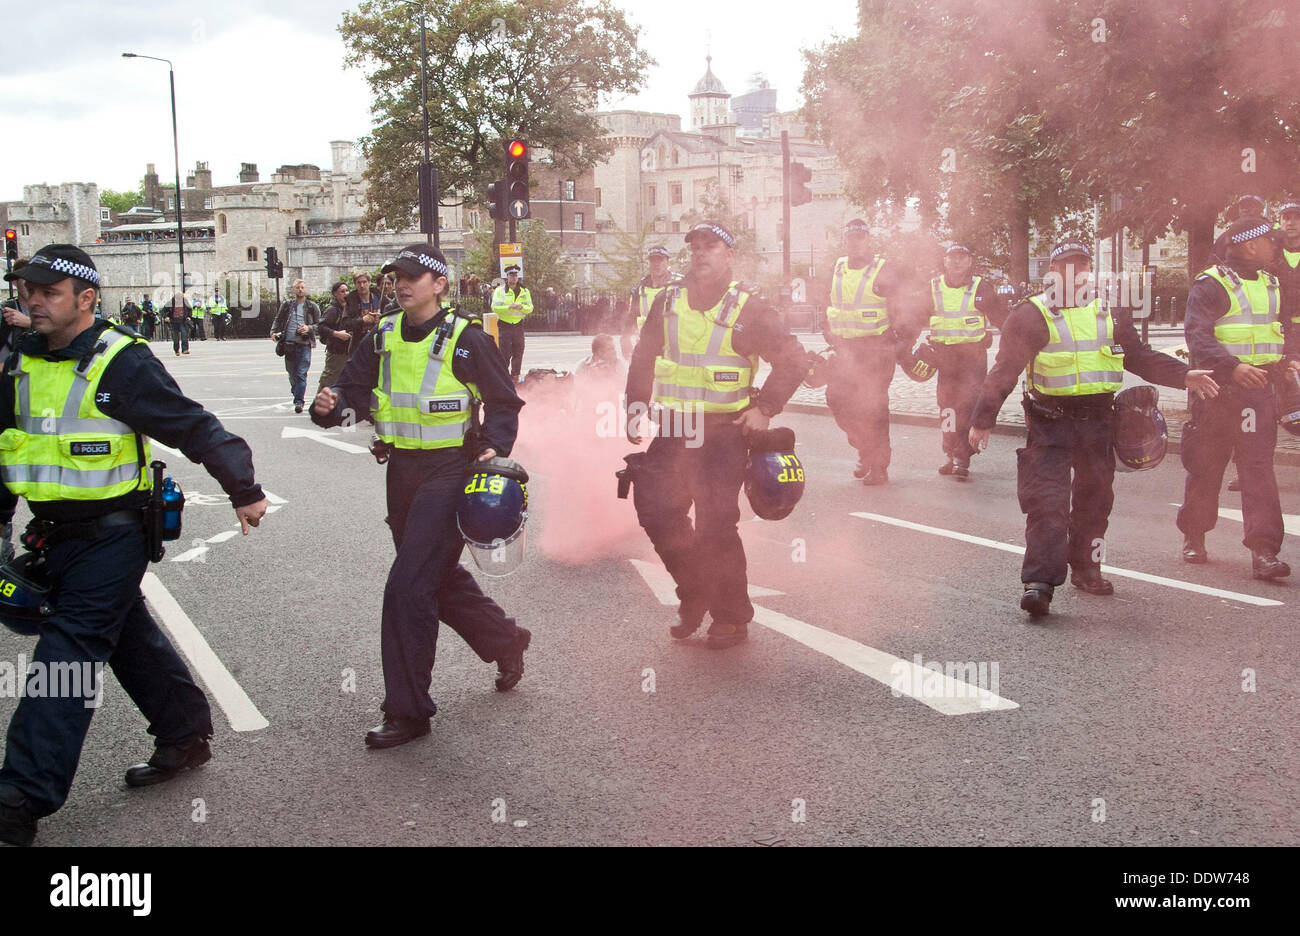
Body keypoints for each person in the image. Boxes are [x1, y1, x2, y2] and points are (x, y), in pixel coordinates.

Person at [0, 245, 269, 847]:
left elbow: (192, 425)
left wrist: (243, 488)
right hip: (52, 536)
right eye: (27, 290)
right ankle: (184, 732)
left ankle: (19, 797)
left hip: (114, 536)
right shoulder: (16, 361)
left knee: (66, 655)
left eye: (47, 292)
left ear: (86, 298)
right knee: (126, 636)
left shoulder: (119, 362)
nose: (33, 301)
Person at [310, 244, 531, 749]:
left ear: (439, 284)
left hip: (451, 471)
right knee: (434, 578)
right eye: (396, 277)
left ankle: (408, 712)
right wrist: (331, 404)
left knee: (407, 586)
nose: (401, 284)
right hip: (403, 472)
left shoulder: (467, 338)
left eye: (413, 276)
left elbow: (503, 401)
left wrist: (494, 447)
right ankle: (506, 639)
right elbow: (353, 389)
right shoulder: (382, 334)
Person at [969, 239, 1218, 617]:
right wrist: (982, 420)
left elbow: (1139, 356)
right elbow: (1004, 370)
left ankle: (1087, 568)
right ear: (1052, 272)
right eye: (1067, 266)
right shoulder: (1031, 314)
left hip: (1098, 421)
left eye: (1082, 266)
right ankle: (1039, 582)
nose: (1075, 273)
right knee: (1046, 502)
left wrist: (1185, 375)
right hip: (1050, 422)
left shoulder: (1109, 311)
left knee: (1095, 501)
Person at [625, 221, 809, 648]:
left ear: (729, 254)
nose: (701, 253)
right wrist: (635, 406)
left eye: (712, 246)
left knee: (715, 526)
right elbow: (643, 355)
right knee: (655, 511)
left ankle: (731, 616)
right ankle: (696, 591)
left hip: (722, 434)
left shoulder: (749, 307)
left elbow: (794, 360)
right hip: (674, 429)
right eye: (695, 247)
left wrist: (765, 408)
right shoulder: (667, 300)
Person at [1176, 217, 1299, 579]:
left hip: (1260, 391)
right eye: (1269, 240)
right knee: (1206, 466)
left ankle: (1264, 552)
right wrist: (1232, 368)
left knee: (1258, 469)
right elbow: (1198, 336)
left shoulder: (1272, 283)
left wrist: (1290, 355)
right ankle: (1194, 535)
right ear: (1249, 245)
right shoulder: (1210, 285)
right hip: (1218, 391)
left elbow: (1287, 328)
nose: (1276, 246)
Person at [820, 218, 921, 485]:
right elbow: (824, 302)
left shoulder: (884, 270)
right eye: (851, 238)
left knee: (873, 408)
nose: (855, 243)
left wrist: (901, 343)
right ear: (846, 241)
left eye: (860, 238)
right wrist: (826, 330)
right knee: (836, 399)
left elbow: (907, 311)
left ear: (868, 240)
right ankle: (864, 449)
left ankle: (878, 466)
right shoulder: (836, 268)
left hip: (876, 352)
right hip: (845, 351)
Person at [926, 244, 1008, 480]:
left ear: (970, 261)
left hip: (972, 360)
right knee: (947, 408)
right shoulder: (934, 287)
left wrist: (1017, 344)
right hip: (945, 360)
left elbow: (1002, 318)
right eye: (953, 258)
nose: (957, 262)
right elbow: (914, 315)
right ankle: (950, 453)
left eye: (962, 258)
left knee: (968, 406)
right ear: (945, 261)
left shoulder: (980, 287)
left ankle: (963, 456)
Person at [270, 279, 321, 413]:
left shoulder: (312, 307)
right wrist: (273, 332)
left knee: (301, 374)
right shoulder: (287, 305)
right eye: (297, 287)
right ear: (294, 289)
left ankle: (299, 402)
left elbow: (320, 325)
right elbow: (278, 319)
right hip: (289, 344)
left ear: (306, 289)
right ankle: (296, 391)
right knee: (292, 374)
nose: (300, 290)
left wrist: (308, 328)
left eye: (302, 287)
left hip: (304, 344)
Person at [620, 245, 679, 360]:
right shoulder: (640, 291)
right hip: (648, 350)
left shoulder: (680, 285)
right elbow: (631, 320)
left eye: (660, 260)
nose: (656, 264)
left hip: (675, 349)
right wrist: (625, 341)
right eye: (652, 260)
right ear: (648, 263)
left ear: (668, 262)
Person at [491, 265, 533, 380]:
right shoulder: (500, 291)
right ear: (507, 277)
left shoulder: (525, 291)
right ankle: (504, 377)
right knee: (505, 353)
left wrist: (521, 307)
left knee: (518, 351)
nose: (513, 278)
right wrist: (508, 307)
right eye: (511, 275)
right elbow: (494, 307)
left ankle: (515, 376)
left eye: (515, 275)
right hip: (505, 325)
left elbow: (530, 308)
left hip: (518, 325)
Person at [316, 280, 352, 394]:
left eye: (347, 290)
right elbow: (321, 327)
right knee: (329, 380)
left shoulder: (350, 308)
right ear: (335, 294)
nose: (345, 293)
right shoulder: (332, 310)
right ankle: (318, 404)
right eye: (342, 291)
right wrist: (337, 334)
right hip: (336, 353)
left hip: (349, 351)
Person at [2, 259, 33, 354]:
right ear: (15, 282)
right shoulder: (4, 313)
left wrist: (30, 324)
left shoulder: (51, 311)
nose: (31, 285)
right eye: (26, 280)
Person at [166, 291, 191, 356]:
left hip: (183, 321)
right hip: (174, 321)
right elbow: (164, 310)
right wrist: (166, 317)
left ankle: (185, 349)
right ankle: (176, 350)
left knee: (184, 335)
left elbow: (189, 309)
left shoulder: (185, 301)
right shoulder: (171, 302)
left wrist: (189, 316)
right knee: (176, 337)